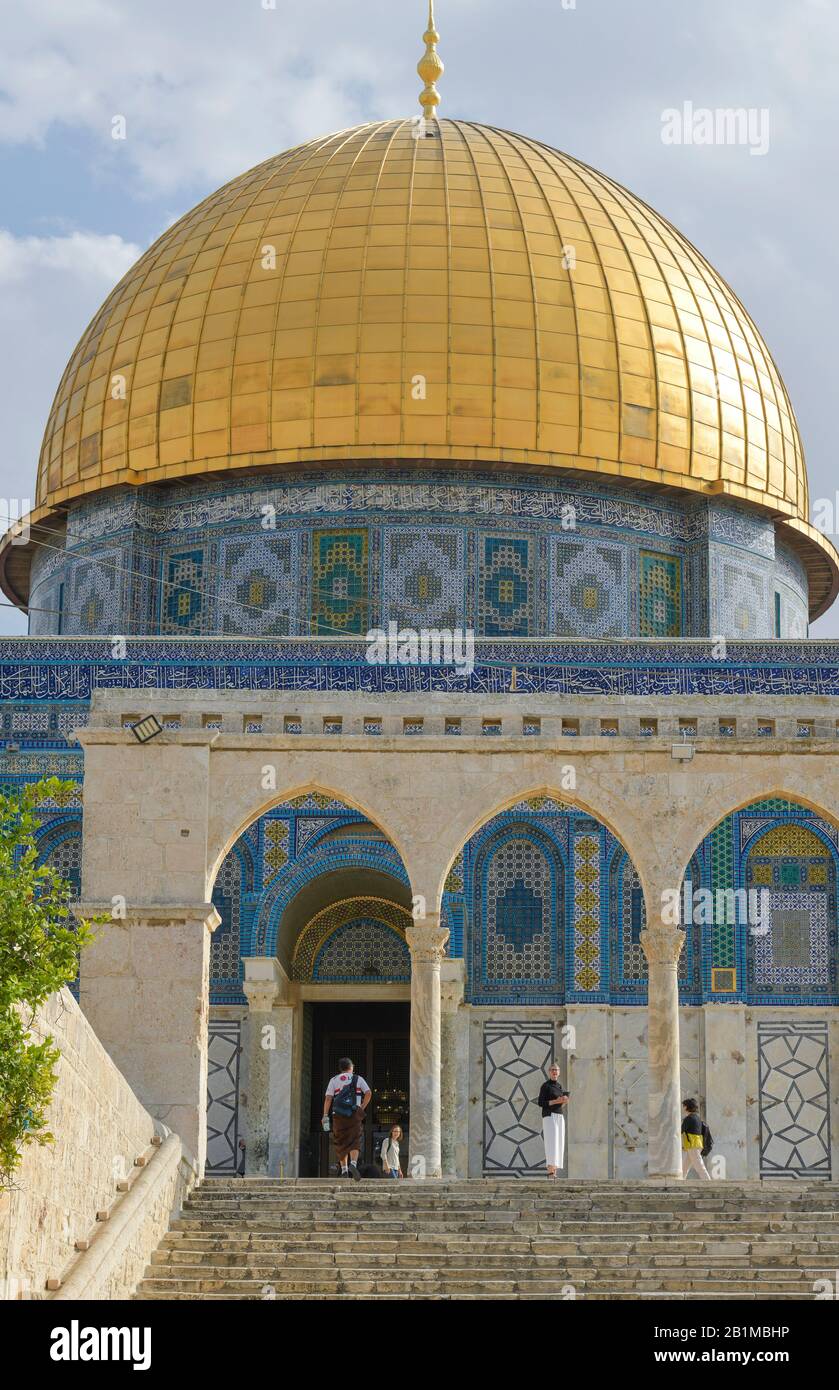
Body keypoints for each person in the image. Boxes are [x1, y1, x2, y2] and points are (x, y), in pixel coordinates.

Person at [322, 1057, 371, 1179]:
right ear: (351, 1067)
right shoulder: (358, 1079)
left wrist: (325, 1115)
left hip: (338, 1116)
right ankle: (353, 1164)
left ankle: (344, 1170)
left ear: (340, 1068)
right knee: (355, 1140)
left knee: (340, 1142)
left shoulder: (333, 1080)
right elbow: (369, 1093)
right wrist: (362, 1107)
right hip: (354, 1113)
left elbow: (328, 1098)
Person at [537, 1062, 569, 1179]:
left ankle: (554, 1172)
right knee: (551, 1143)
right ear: (549, 1072)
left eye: (557, 1070)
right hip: (549, 1116)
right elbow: (540, 1103)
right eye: (553, 1070)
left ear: (559, 1073)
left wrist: (563, 1101)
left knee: (558, 1143)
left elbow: (559, 1105)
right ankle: (550, 1172)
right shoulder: (545, 1086)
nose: (555, 1072)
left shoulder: (559, 1086)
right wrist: (556, 1101)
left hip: (559, 1116)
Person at [681, 1097, 712, 1180]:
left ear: (687, 1107)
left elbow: (680, 1131)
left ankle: (709, 1183)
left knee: (699, 1166)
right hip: (697, 1144)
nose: (683, 1107)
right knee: (684, 1167)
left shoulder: (688, 1119)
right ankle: (680, 1182)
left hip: (692, 1145)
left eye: (683, 1106)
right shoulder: (697, 1118)